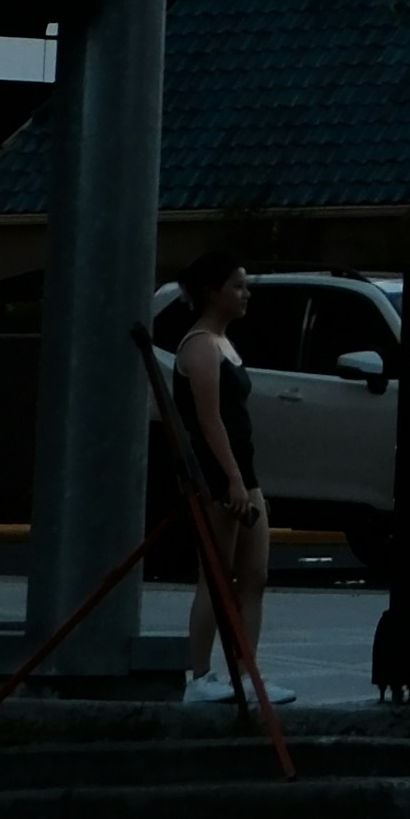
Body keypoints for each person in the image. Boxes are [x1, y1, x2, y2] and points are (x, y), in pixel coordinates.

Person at [154, 251, 269, 702]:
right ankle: (200, 675)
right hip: (221, 478)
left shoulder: (224, 343)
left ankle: (247, 673)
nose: (245, 294)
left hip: (245, 471)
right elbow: (209, 420)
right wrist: (233, 480)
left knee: (254, 576)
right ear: (212, 291)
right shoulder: (199, 345)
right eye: (237, 285)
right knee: (216, 577)